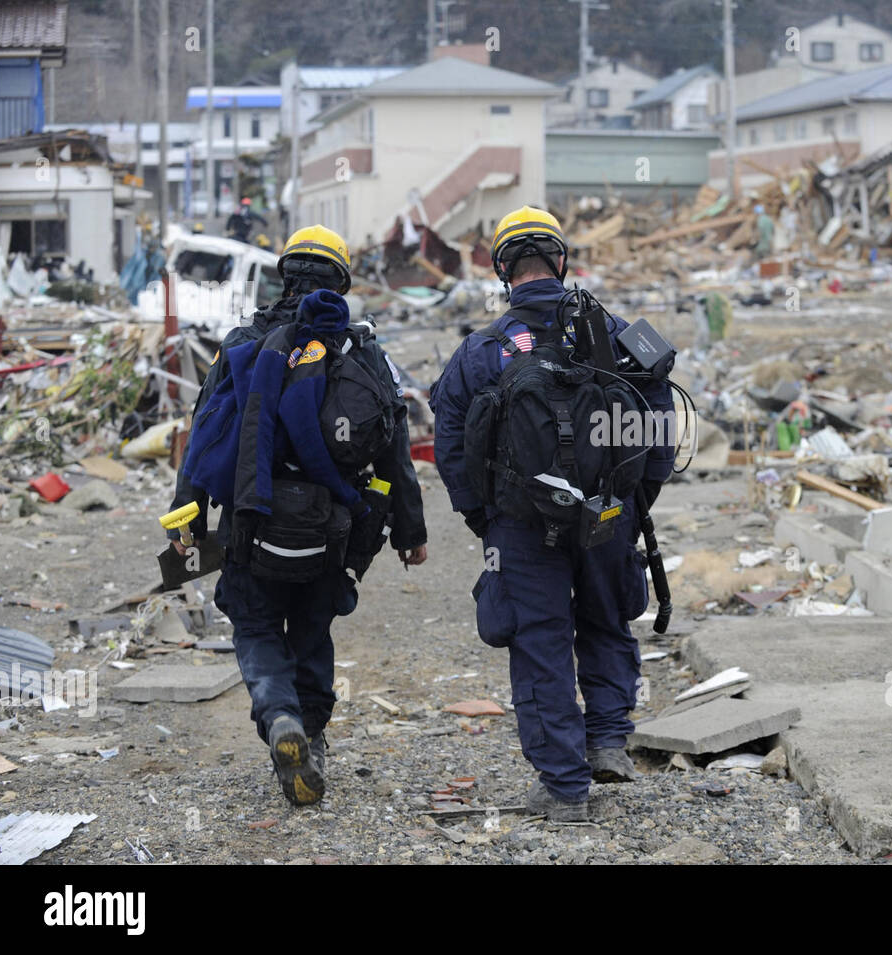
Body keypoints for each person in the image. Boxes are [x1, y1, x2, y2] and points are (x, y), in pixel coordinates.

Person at [429, 206, 675, 822]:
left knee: (538, 641)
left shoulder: (481, 351)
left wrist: (481, 518)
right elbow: (659, 425)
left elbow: (450, 445)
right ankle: (609, 740)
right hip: (608, 513)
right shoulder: (618, 334)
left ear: (502, 270)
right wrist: (633, 500)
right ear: (562, 261)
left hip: (520, 525)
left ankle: (564, 787)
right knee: (607, 618)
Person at [168, 225, 428, 806]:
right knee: (313, 627)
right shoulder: (361, 353)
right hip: (331, 530)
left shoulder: (241, 341)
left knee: (257, 627)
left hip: (250, 522)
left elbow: (204, 436)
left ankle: (279, 716)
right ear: (342, 281)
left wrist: (184, 521)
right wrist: (410, 533)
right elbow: (395, 452)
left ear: (284, 273)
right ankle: (310, 733)